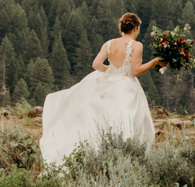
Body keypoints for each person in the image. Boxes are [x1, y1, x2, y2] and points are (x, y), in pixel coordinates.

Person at [39, 12, 168, 165]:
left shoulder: (109, 43)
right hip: (126, 87)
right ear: (135, 28)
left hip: (108, 81)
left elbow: (96, 64)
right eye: (138, 28)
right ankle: (127, 159)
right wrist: (154, 62)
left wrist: (111, 71)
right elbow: (135, 71)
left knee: (100, 119)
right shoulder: (136, 45)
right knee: (127, 122)